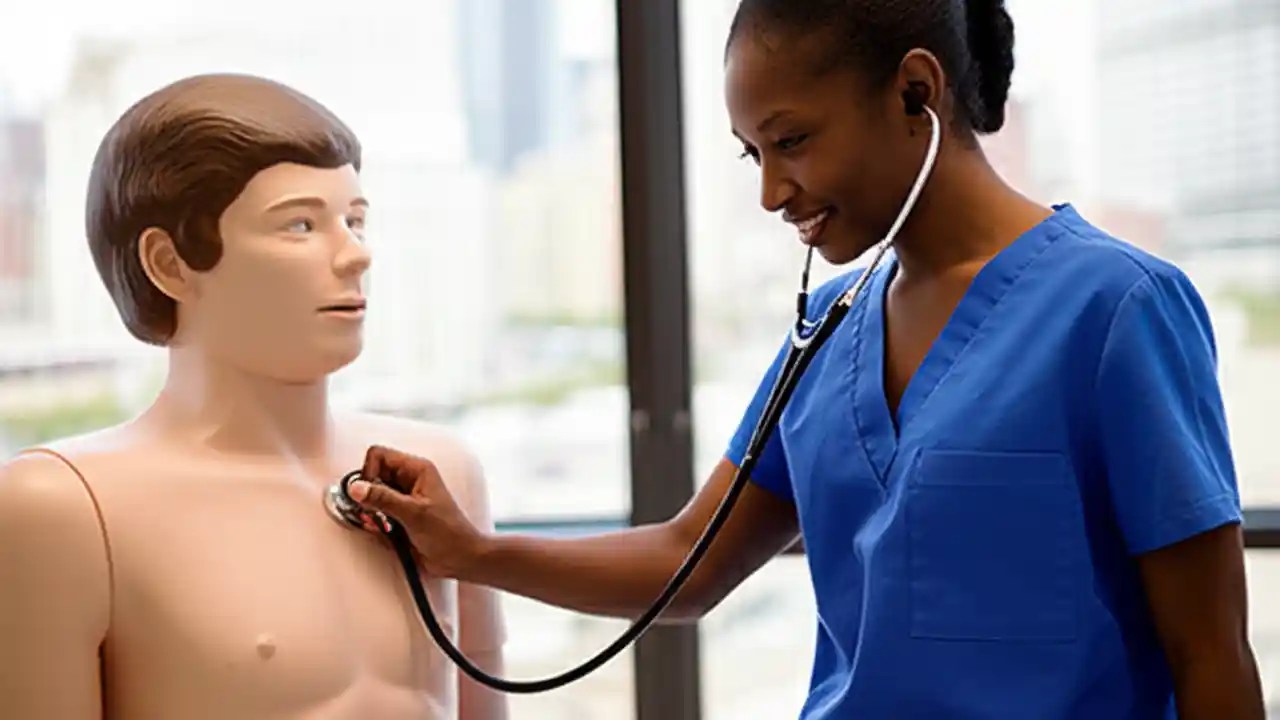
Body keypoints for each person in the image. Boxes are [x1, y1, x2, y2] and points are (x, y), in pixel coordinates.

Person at [348, 1, 1266, 717]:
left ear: (916, 92)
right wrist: (470, 551)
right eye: (752, 154)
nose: (769, 191)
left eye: (792, 142)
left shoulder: (1117, 309)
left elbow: (1212, 655)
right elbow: (685, 564)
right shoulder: (827, 331)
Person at [0, 73, 507, 720]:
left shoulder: (439, 475)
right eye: (299, 224)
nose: (356, 255)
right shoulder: (64, 508)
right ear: (171, 264)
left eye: (355, 220)